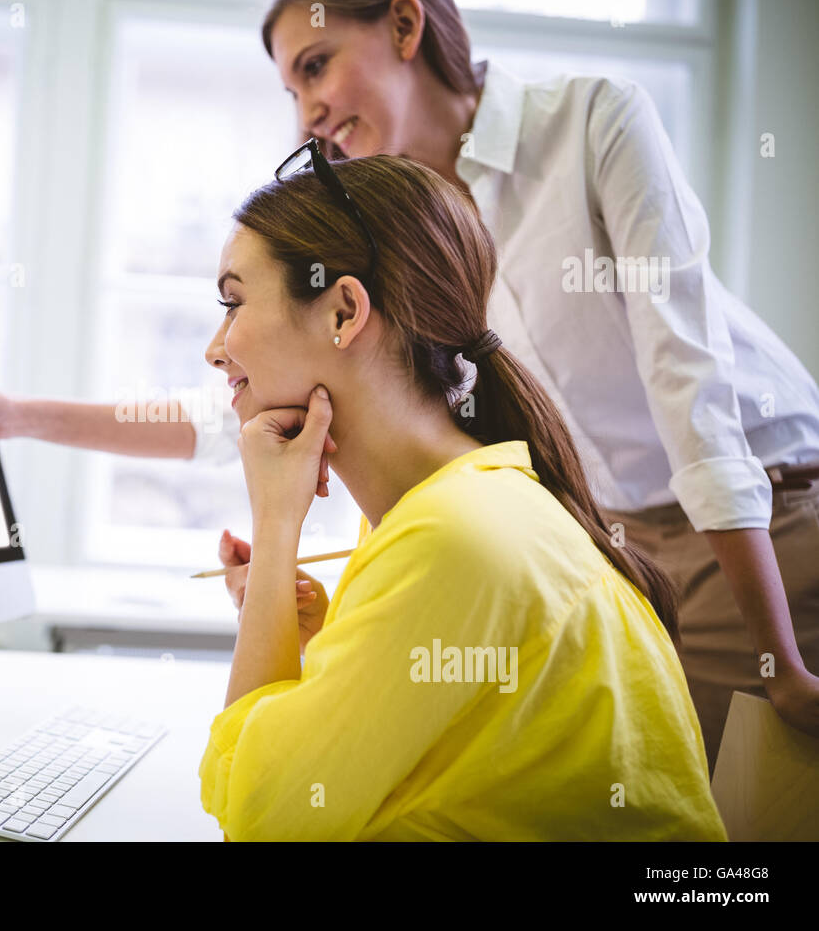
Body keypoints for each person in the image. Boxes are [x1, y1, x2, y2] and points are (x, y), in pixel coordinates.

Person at [0, 0, 819, 768]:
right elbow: (239, 409)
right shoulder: (397, 234)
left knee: (740, 824)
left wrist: (777, 653)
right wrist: (14, 414)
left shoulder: (591, 123)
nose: (307, 106)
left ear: (406, 24)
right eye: (288, 87)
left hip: (768, 524)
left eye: (315, 65)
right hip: (620, 538)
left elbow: (684, 380)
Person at [197, 147, 725, 840]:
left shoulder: (451, 535)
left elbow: (258, 819)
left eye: (233, 303)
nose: (216, 347)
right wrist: (324, 640)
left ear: (343, 310)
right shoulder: (468, 501)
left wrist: (274, 531)